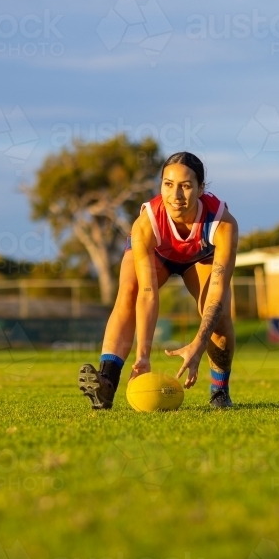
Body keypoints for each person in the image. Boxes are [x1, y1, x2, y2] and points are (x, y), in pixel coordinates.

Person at [78, 152, 239, 409]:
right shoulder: (146, 224)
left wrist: (197, 346)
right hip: (158, 255)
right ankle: (106, 382)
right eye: (168, 184)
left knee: (218, 318)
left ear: (200, 189)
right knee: (128, 292)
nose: (175, 196)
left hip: (200, 257)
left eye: (186, 186)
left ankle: (219, 392)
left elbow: (217, 297)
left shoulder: (222, 223)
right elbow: (147, 293)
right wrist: (143, 356)